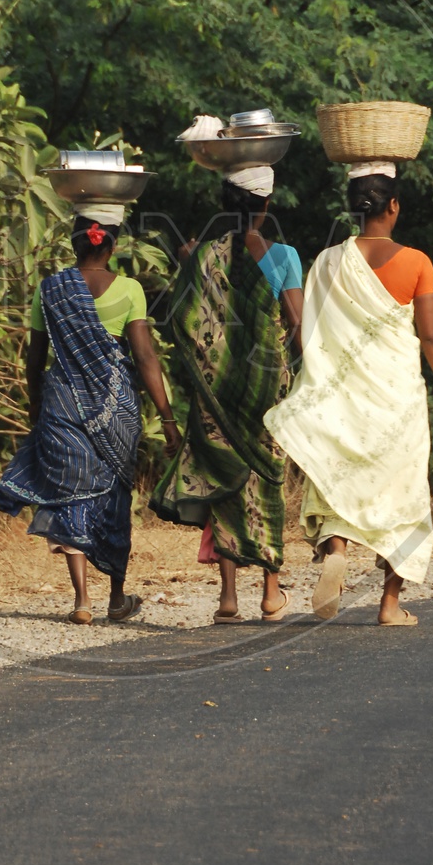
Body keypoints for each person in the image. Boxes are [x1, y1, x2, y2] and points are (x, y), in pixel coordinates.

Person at [264, 162, 433, 626]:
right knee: (403, 491)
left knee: (341, 478)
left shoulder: (327, 262)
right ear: (393, 205)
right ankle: (389, 605)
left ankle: (336, 548)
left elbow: (311, 332)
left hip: (343, 397)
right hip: (396, 396)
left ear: (352, 208)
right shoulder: (417, 262)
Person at [0, 214, 180, 625]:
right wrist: (167, 418)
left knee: (70, 493)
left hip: (62, 400)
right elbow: (145, 356)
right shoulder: (129, 289)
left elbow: (35, 357)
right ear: (112, 245)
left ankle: (81, 601)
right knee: (114, 496)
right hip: (115, 406)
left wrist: (35, 403)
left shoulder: (51, 288)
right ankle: (116, 597)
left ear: (74, 244)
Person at [152, 167, 304, 623]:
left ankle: (228, 599)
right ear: (266, 205)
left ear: (225, 204)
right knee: (267, 478)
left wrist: (188, 259)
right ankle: (271, 592)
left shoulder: (202, 256)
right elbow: (297, 323)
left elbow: (185, 318)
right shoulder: (285, 256)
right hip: (265, 387)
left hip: (214, 387)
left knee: (224, 483)